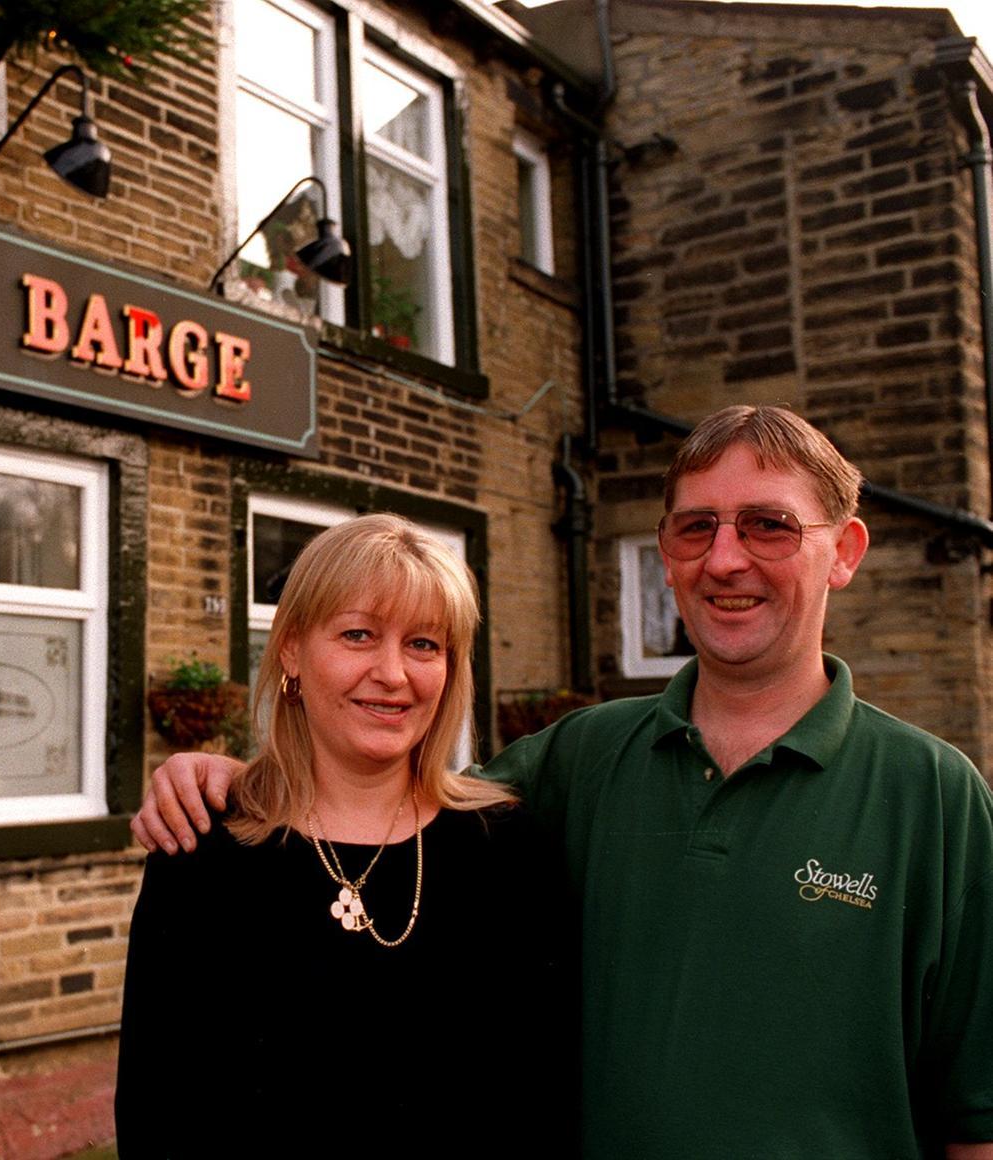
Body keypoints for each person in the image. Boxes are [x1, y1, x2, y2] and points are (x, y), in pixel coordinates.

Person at [132, 406, 993, 1160]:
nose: (725, 558)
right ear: (665, 555)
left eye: (768, 525)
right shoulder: (580, 761)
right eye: (697, 528)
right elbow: (374, 793)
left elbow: (978, 1115)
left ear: (843, 552)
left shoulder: (935, 798)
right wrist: (235, 780)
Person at [116, 513, 576, 1158]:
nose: (393, 673)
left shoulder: (508, 846)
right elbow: (160, 1107)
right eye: (358, 635)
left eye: (424, 644)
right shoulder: (204, 847)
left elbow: (543, 1098)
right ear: (292, 651)